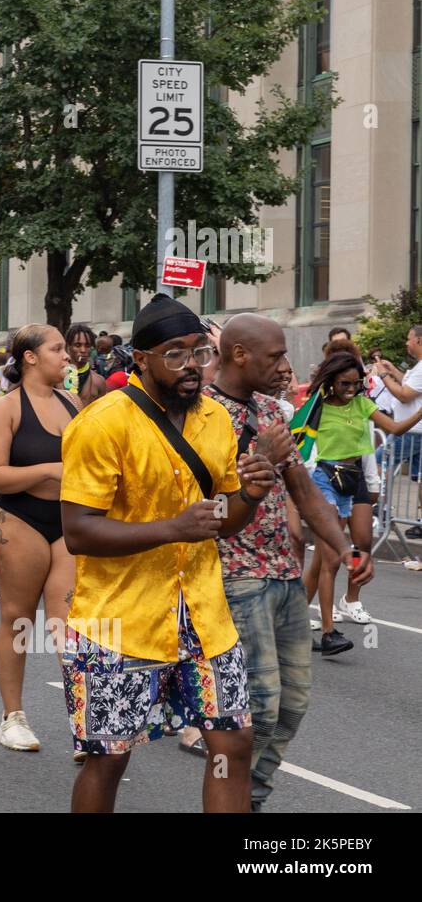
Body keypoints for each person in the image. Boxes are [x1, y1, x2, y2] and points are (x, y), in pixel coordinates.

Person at [60, 293, 276, 813]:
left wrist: (249, 494)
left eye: (200, 352)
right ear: (142, 359)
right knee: (109, 756)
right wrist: (171, 528)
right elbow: (78, 532)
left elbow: (222, 523)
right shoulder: (102, 422)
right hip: (120, 619)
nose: (191, 366)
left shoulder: (216, 421)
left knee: (233, 742)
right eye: (175, 354)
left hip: (204, 616)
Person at [208, 314, 373, 810]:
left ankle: (249, 796)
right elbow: (195, 502)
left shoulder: (273, 411)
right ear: (239, 354)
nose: (285, 365)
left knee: (293, 705)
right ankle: (234, 797)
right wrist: (256, 453)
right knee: (257, 708)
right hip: (234, 577)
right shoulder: (201, 414)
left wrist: (346, 550)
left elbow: (303, 490)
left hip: (282, 574)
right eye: (275, 355)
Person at [0, 324, 79, 752]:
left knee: (70, 625)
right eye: (57, 349)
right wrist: (48, 471)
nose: (67, 356)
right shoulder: (5, 409)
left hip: (69, 522)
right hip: (21, 519)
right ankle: (12, 716)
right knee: (19, 618)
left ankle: (85, 718)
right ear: (30, 358)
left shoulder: (73, 403)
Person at [302, 350, 422, 653]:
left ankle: (298, 615)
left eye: (356, 383)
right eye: (344, 384)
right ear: (331, 382)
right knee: (329, 558)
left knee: (358, 545)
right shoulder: (316, 407)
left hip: (352, 480)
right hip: (324, 480)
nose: (350, 389)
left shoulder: (362, 404)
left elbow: (394, 429)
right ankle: (329, 631)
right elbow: (299, 446)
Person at [373, 326, 422, 529]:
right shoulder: (418, 367)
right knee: (419, 477)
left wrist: (384, 374)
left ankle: (380, 507)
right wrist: (393, 371)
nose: (406, 343)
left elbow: (404, 394)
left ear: (419, 340)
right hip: (414, 430)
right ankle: (419, 521)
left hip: (411, 430)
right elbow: (410, 386)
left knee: (379, 459)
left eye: (409, 339)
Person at [64, 323, 107, 406]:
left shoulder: (98, 381)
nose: (83, 350)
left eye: (87, 345)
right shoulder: (55, 378)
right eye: (77, 345)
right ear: (68, 346)